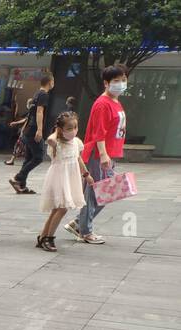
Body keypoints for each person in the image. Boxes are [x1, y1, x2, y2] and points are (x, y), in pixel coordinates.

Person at [68, 65, 129, 245]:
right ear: (106, 83)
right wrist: (103, 155)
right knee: (98, 193)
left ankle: (79, 224)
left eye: (123, 80)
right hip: (99, 154)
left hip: (109, 153)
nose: (121, 83)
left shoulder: (115, 102)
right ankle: (85, 231)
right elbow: (99, 133)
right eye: (116, 80)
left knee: (109, 191)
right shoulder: (103, 104)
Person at [35, 111, 92, 252]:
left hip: (70, 178)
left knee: (56, 209)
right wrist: (57, 131)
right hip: (59, 179)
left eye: (75, 127)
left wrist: (86, 174)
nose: (73, 131)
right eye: (69, 128)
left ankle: (43, 237)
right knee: (63, 208)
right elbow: (50, 139)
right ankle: (49, 238)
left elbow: (78, 159)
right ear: (61, 129)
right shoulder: (56, 143)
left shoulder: (76, 142)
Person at [10, 73, 55, 194]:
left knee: (29, 158)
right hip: (34, 130)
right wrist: (39, 130)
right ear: (50, 82)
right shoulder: (44, 95)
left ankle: (21, 186)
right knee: (38, 157)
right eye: (53, 81)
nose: (53, 84)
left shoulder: (37, 94)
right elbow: (39, 112)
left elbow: (31, 113)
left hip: (28, 130)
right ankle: (18, 178)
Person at [3, 99, 30, 165]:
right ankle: (26, 161)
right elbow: (25, 120)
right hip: (26, 132)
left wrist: (15, 123)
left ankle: (12, 160)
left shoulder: (32, 113)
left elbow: (25, 120)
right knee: (23, 146)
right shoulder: (31, 113)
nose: (27, 105)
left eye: (28, 104)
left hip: (27, 132)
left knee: (19, 145)